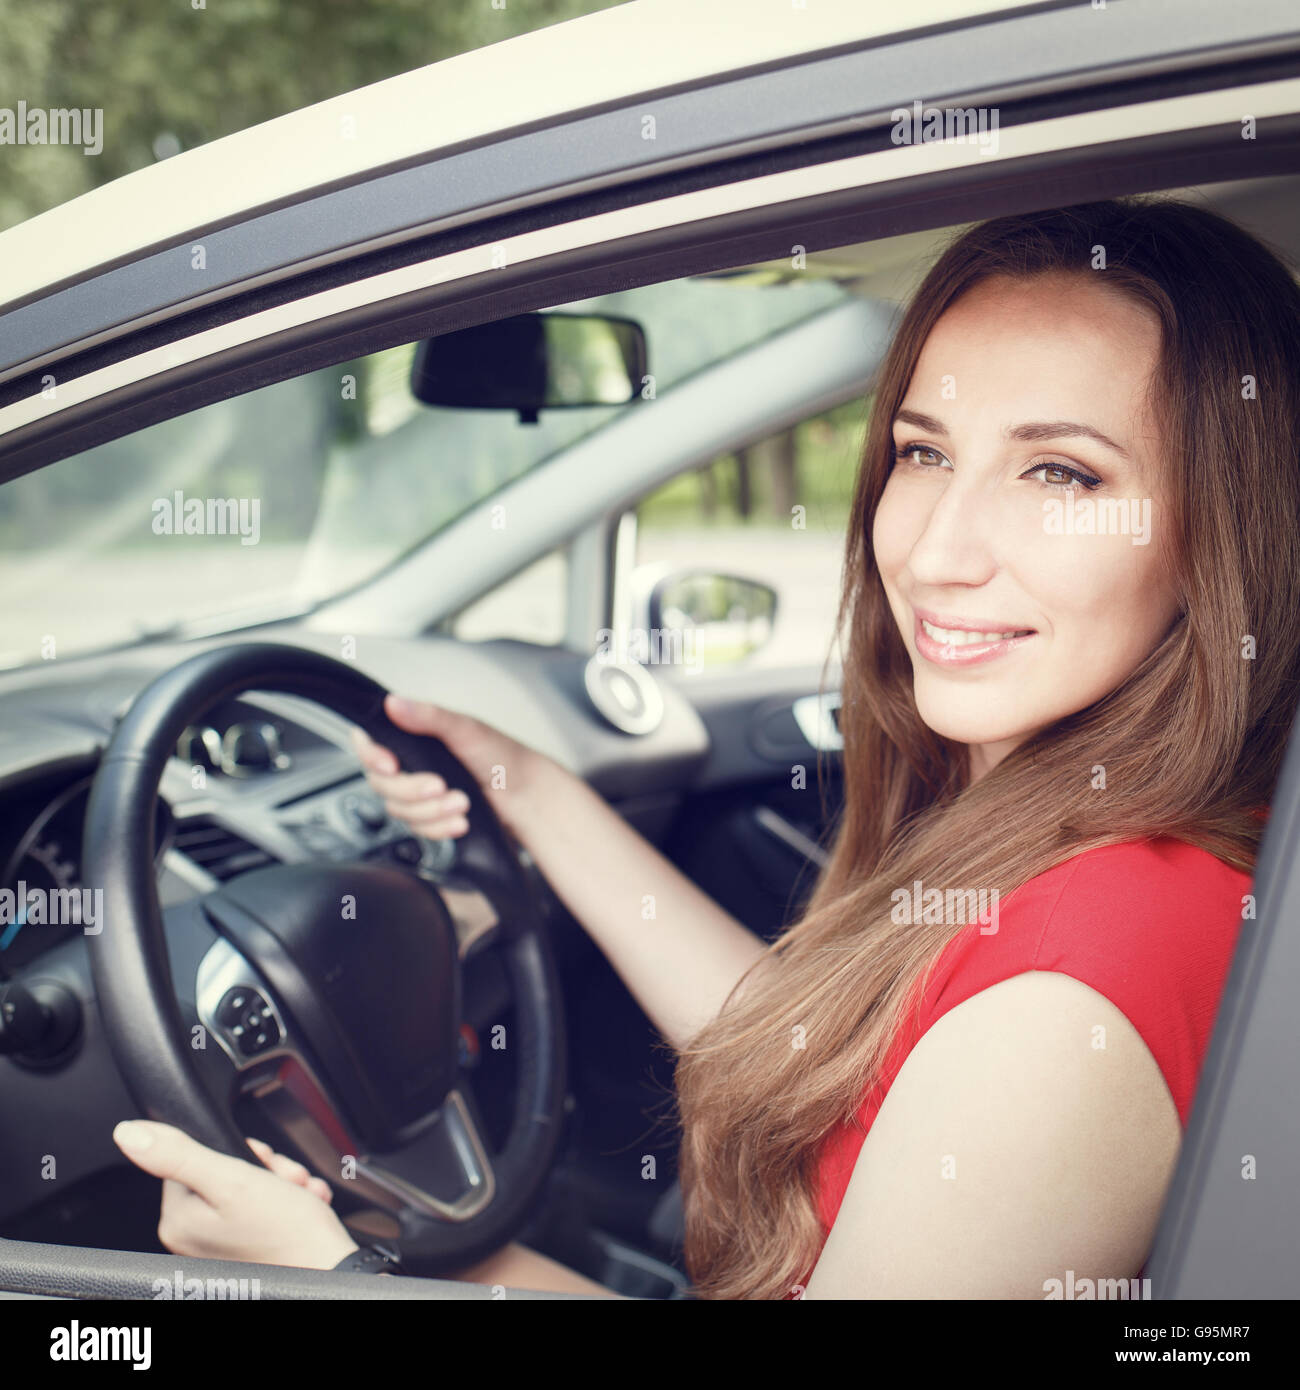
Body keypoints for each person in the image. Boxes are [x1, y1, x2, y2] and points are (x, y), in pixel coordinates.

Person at [114, 197, 1300, 1299]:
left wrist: (334, 1273)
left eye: (1059, 472)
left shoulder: (1080, 982)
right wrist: (525, 786)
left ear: (1218, 533)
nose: (936, 551)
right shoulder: (1092, 850)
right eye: (924, 451)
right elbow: (807, 1040)